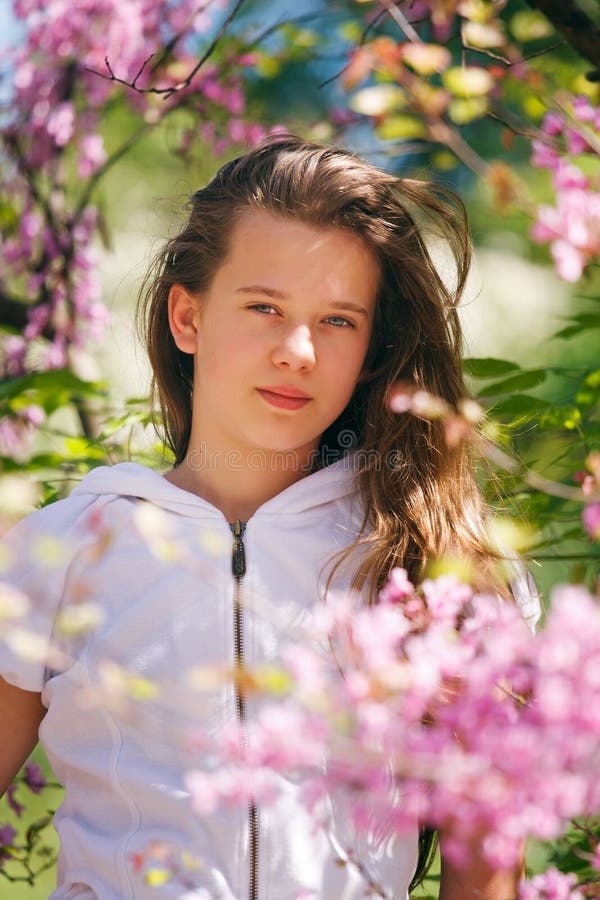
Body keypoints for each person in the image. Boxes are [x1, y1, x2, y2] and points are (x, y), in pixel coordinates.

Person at [0, 134, 539, 899]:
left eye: (339, 321)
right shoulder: (63, 552)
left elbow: (487, 874)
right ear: (188, 318)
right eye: (264, 307)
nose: (299, 351)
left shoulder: (439, 561)